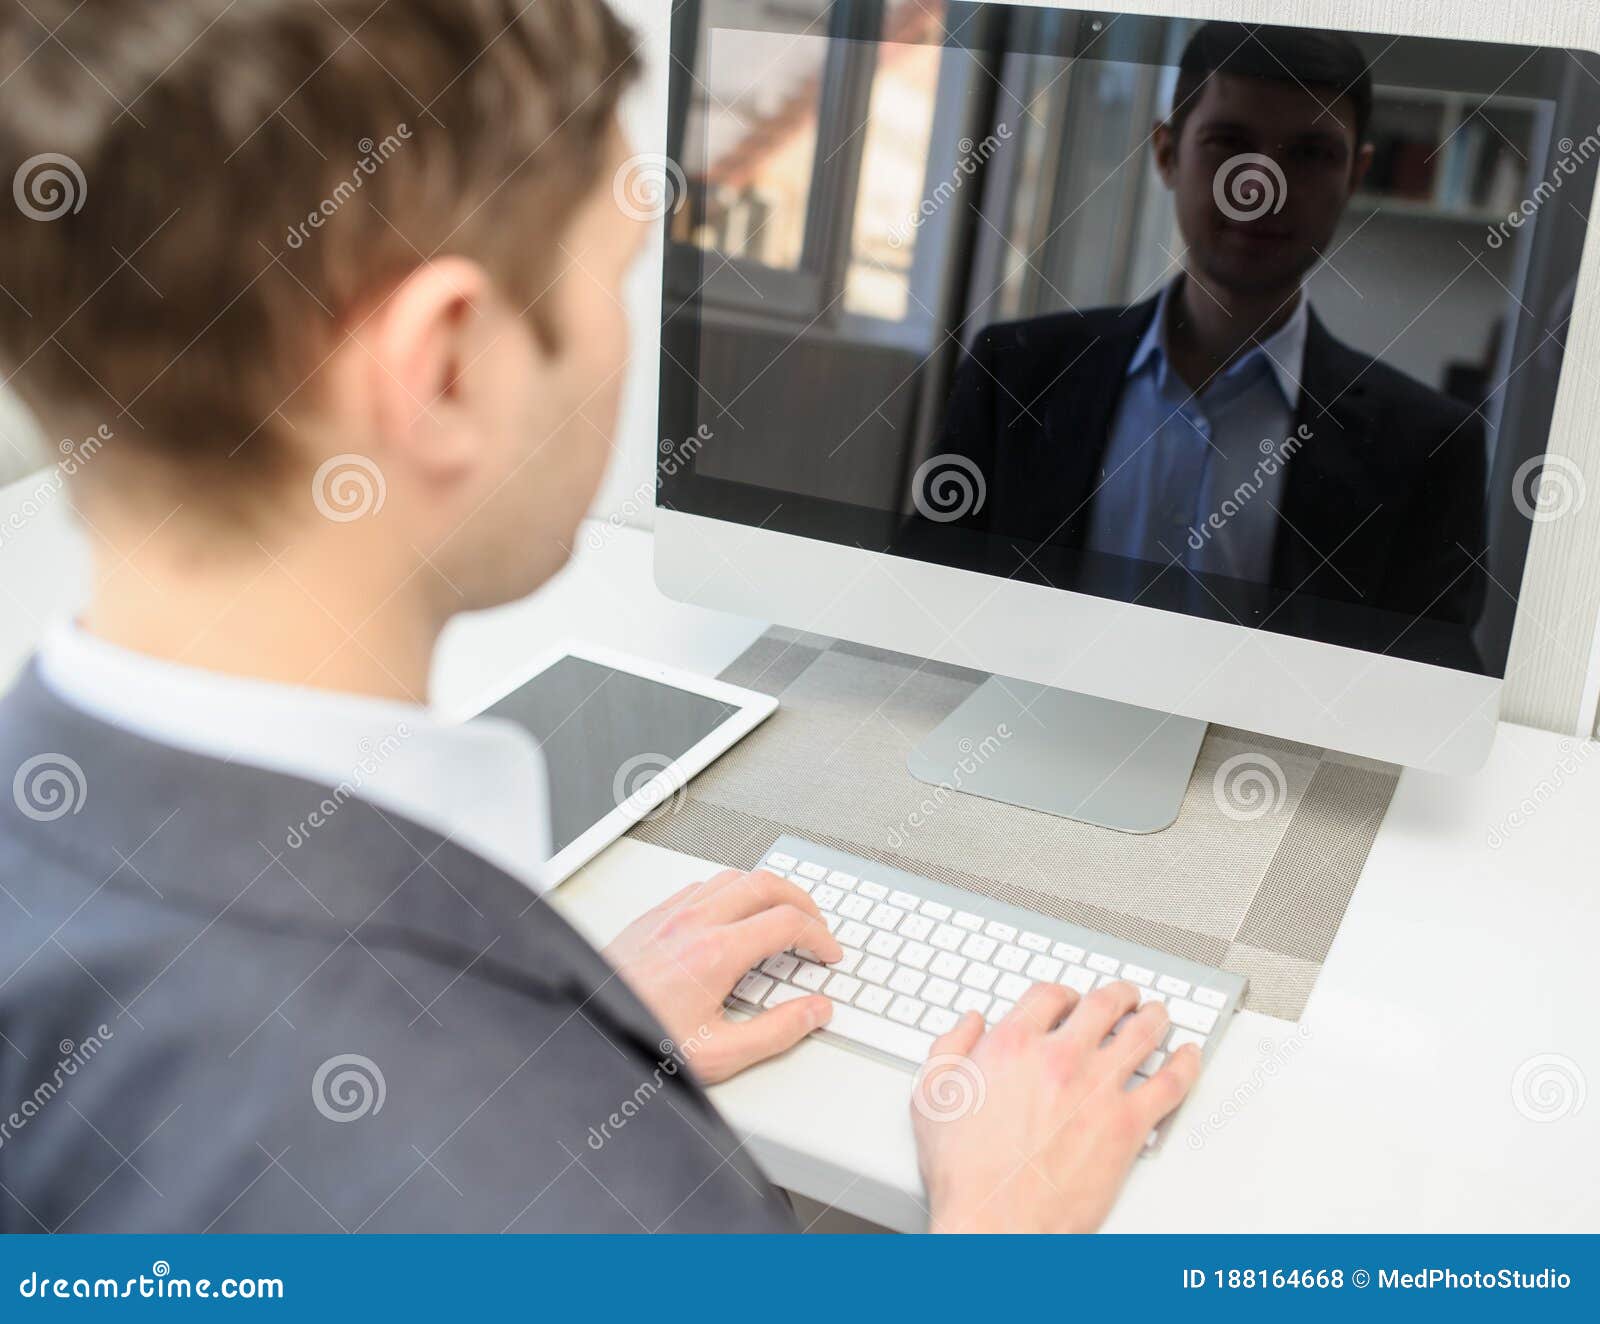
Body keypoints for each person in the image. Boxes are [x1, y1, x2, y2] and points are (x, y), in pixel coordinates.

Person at [0, 0, 1197, 1234]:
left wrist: (551, 1025)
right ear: (447, 369)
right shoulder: (598, 1201)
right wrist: (1003, 1229)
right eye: (620, 272)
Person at [940, 21, 1487, 625]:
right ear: (1167, 153)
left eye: (1309, 153)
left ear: (1354, 177)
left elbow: (1426, 693)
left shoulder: (1431, 451)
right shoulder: (1012, 376)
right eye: (1229, 142)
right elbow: (925, 613)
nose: (1261, 186)